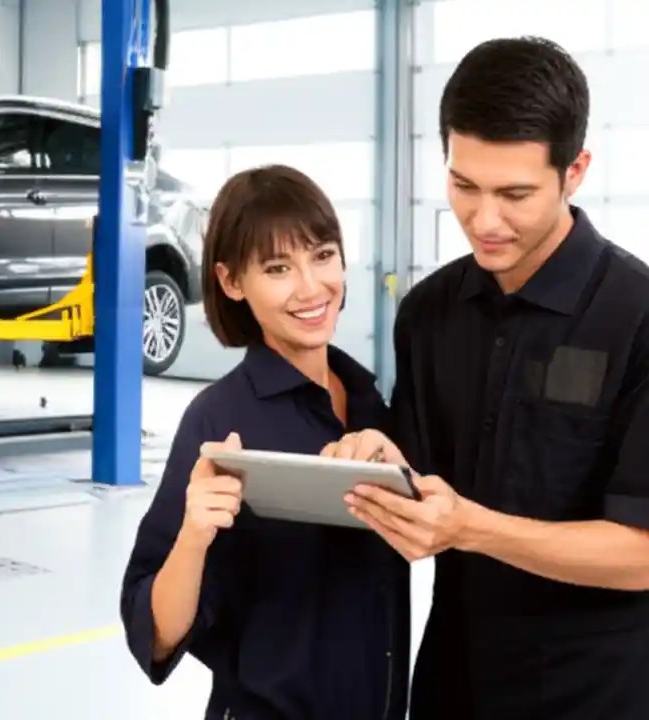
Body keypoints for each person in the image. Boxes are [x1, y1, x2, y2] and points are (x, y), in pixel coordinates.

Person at [323, 36, 649, 719]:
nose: (484, 219)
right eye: (463, 185)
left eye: (516, 193)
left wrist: (469, 528)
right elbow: (419, 470)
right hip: (453, 683)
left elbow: (643, 554)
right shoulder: (429, 312)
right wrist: (377, 463)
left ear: (576, 170)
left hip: (595, 694)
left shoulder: (638, 318)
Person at [119, 164, 410, 720]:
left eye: (322, 255)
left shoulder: (371, 405)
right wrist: (194, 534)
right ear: (232, 282)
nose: (310, 287)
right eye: (278, 268)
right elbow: (154, 636)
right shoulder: (220, 420)